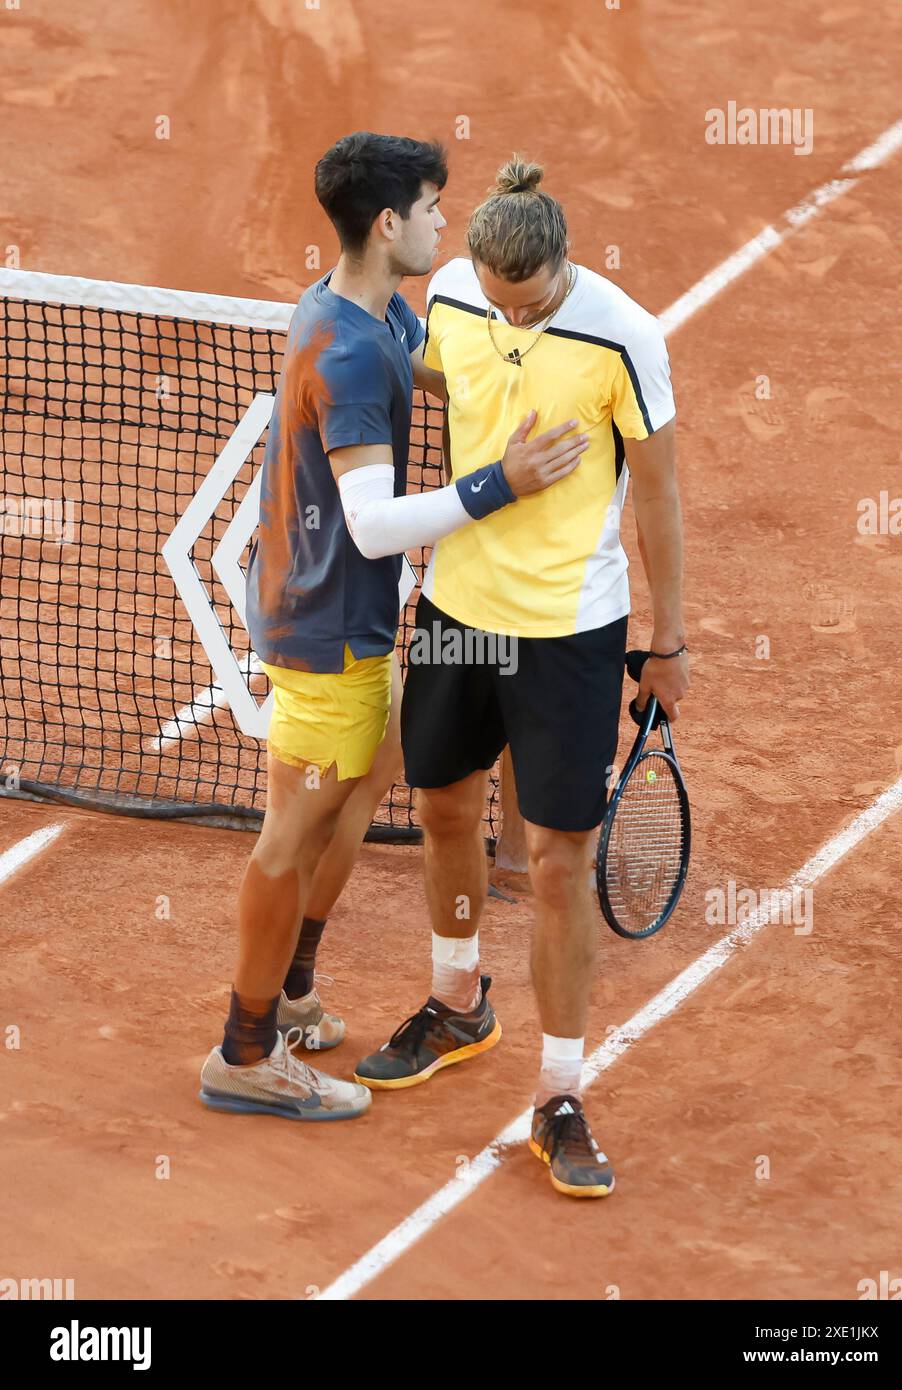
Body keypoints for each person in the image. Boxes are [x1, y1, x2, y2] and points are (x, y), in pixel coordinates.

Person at [199, 134, 589, 1121]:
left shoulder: (354, 310)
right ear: (388, 222)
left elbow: (445, 371)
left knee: (368, 779)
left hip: (329, 608)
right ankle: (245, 1050)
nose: (440, 226)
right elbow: (373, 521)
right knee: (291, 833)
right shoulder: (351, 353)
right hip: (328, 631)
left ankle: (289, 990)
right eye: (430, 209)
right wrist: (506, 481)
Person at [355, 157, 689, 1195]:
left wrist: (668, 641)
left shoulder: (624, 334)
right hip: (458, 611)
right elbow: (456, 373)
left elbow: (658, 498)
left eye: (532, 301)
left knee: (554, 861)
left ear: (562, 263)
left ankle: (559, 1091)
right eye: (501, 302)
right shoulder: (453, 291)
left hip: (567, 633)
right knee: (444, 811)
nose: (517, 316)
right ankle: (458, 1001)